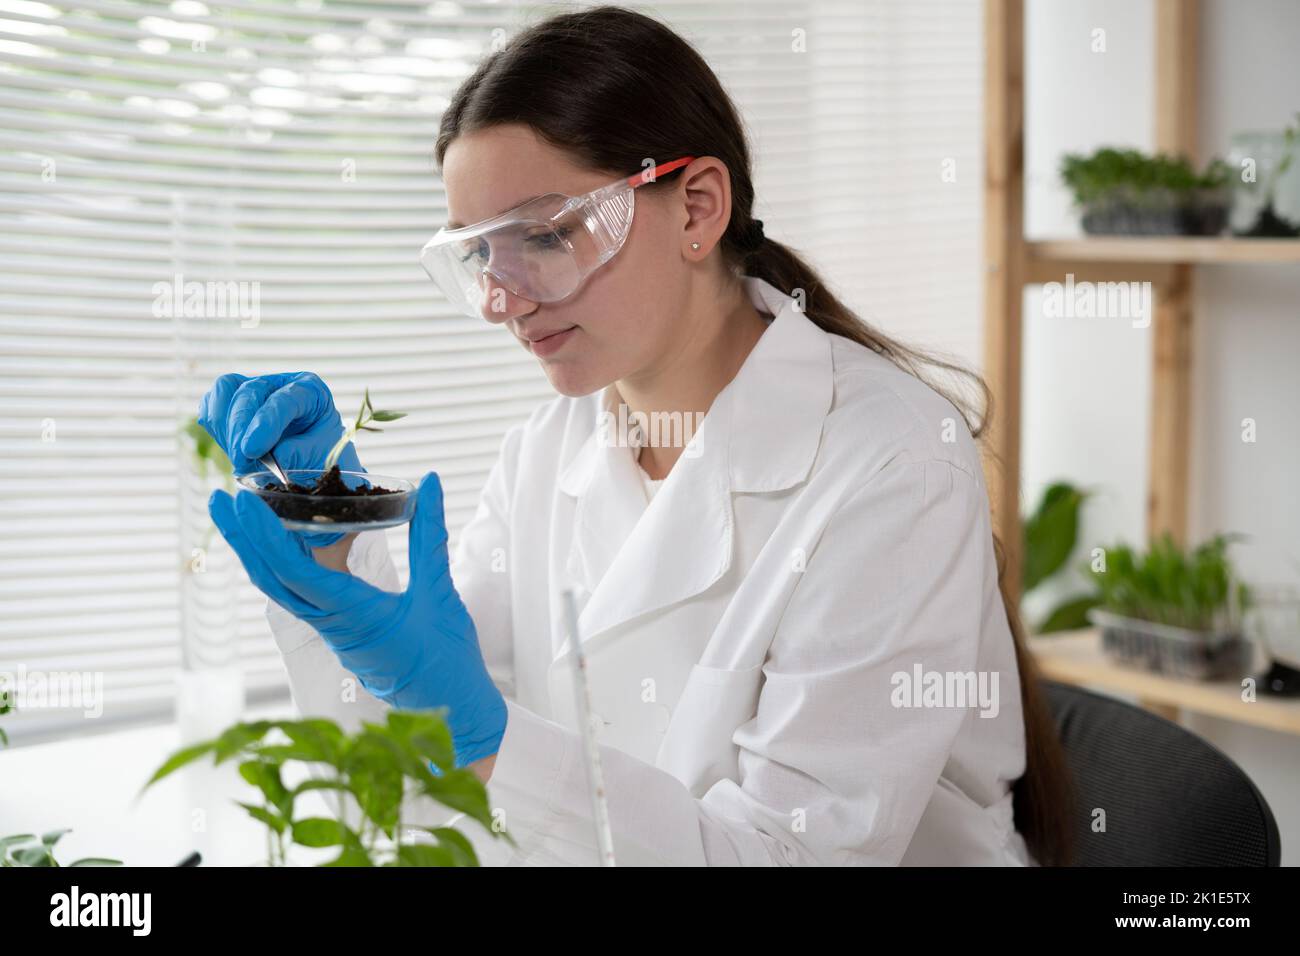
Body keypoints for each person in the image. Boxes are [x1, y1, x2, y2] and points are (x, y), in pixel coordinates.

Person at [199, 5, 1073, 866]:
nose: (504, 300)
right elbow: (433, 785)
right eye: (478, 258)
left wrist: (488, 737)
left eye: (541, 236)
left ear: (696, 207)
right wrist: (332, 545)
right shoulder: (545, 452)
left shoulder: (894, 466)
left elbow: (787, 860)